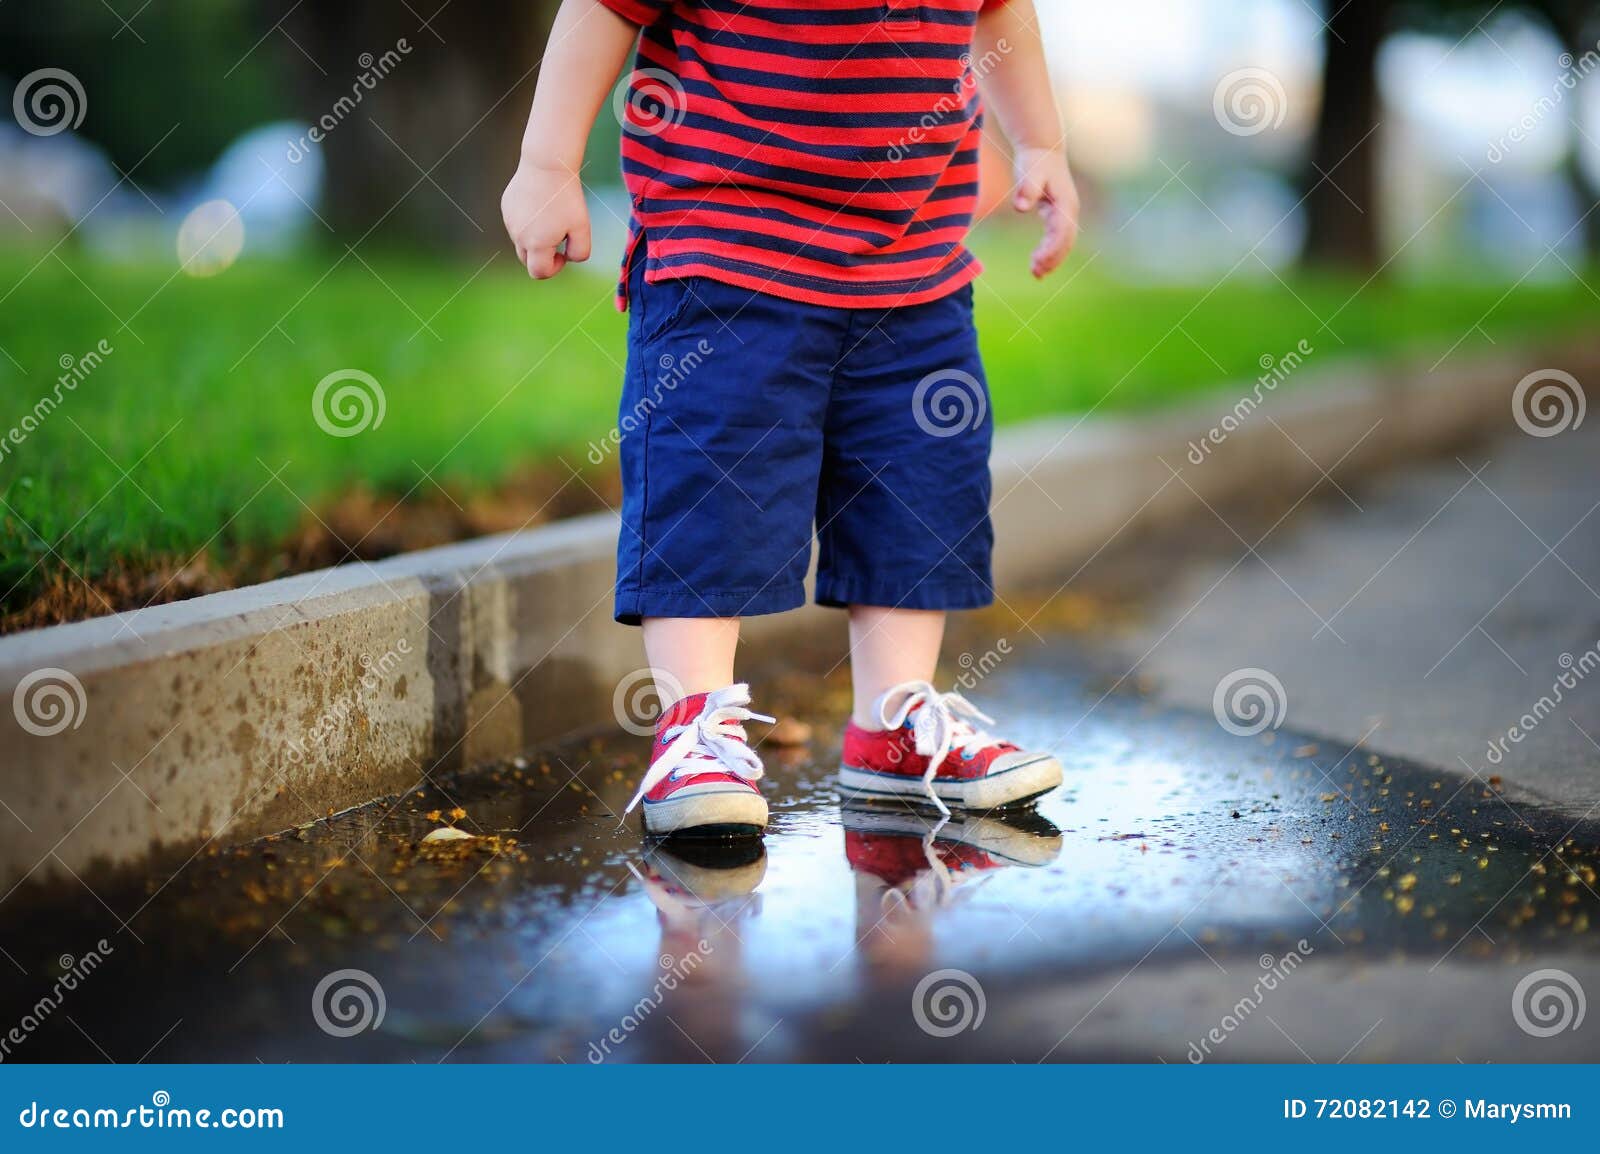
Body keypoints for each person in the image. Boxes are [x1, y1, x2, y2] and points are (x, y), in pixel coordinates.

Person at [502, 0, 1079, 835]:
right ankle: (695, 727)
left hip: (913, 266)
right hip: (728, 247)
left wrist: (1042, 144)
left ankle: (892, 727)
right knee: (714, 483)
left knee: (917, 483)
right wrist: (548, 162)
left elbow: (1001, 11)